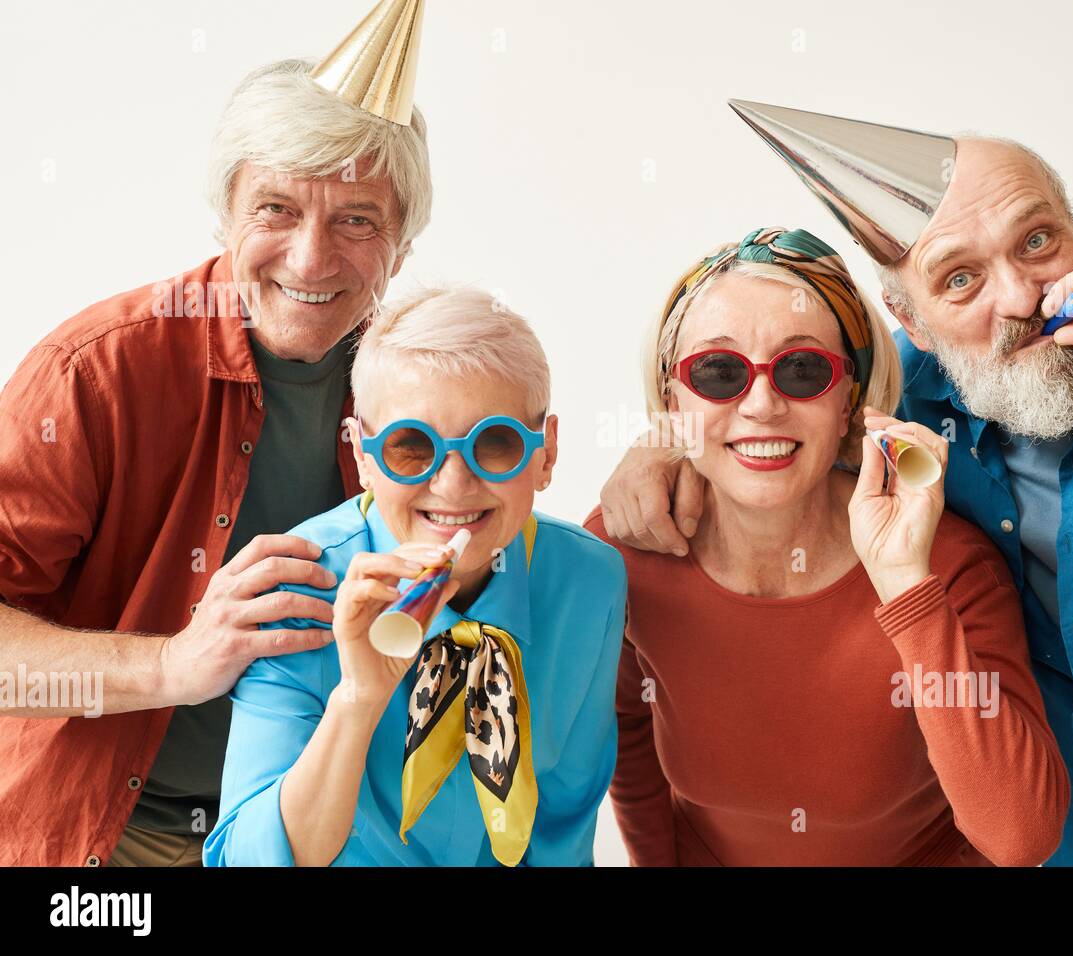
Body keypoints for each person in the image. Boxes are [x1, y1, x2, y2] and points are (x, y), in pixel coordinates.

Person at [600, 122, 1073, 865]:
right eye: (959, 279)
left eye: (1037, 242)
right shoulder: (899, 410)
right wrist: (667, 442)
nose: (1019, 298)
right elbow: (778, 404)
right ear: (913, 324)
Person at [0, 2, 435, 866]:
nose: (311, 261)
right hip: (114, 840)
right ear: (224, 215)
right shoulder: (97, 371)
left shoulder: (428, 380)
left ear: (404, 242)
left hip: (334, 832)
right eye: (275, 209)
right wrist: (172, 666)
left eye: (356, 219)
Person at [587, 227, 1069, 866]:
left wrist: (905, 586)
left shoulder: (944, 563)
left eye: (803, 369)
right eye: (719, 371)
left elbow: (1020, 837)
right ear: (674, 399)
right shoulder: (628, 549)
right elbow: (626, 733)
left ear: (849, 401)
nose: (761, 405)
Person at [205, 286, 625, 866]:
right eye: (410, 447)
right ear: (363, 456)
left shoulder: (590, 582)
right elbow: (246, 861)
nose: (452, 486)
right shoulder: (297, 589)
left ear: (546, 454)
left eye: (495, 444)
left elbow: (562, 823)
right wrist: (357, 697)